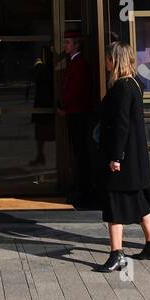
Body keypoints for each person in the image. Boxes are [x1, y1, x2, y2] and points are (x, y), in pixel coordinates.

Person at [94, 42, 150, 272]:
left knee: (115, 202)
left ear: (115, 60)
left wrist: (116, 157)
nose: (105, 62)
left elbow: (122, 124)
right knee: (139, 198)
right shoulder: (135, 83)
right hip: (135, 155)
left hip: (124, 156)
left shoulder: (122, 87)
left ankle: (117, 253)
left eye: (108, 58)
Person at [58, 30, 93, 206]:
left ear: (77, 45)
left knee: (79, 154)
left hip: (78, 113)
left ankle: (82, 192)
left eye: (68, 42)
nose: (65, 46)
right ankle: (79, 190)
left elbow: (75, 90)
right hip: (74, 112)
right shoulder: (74, 62)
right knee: (77, 153)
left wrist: (64, 105)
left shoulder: (79, 64)